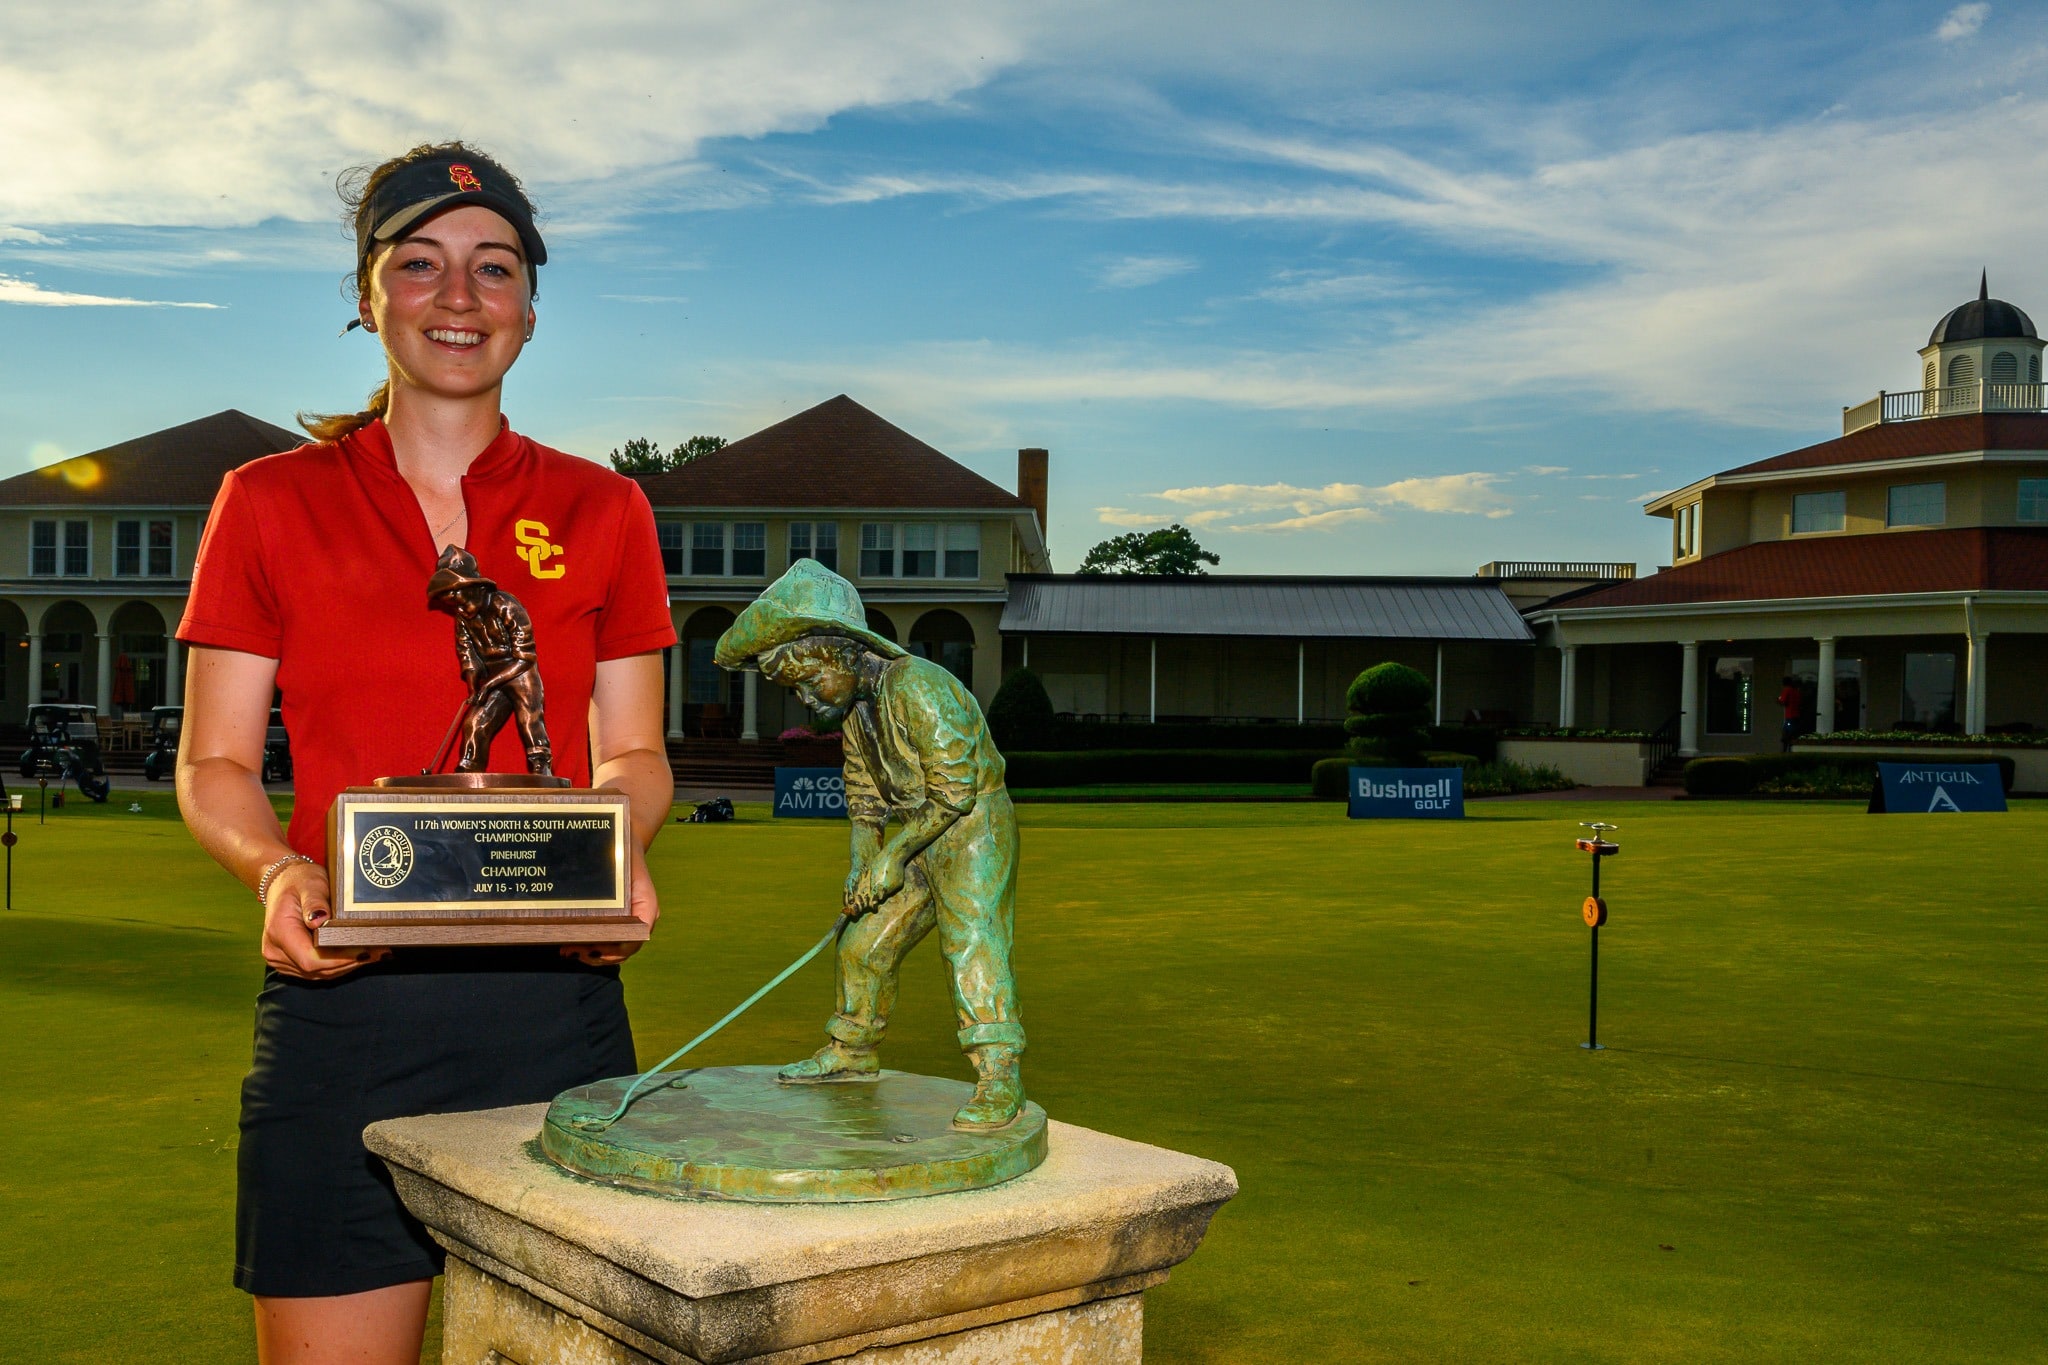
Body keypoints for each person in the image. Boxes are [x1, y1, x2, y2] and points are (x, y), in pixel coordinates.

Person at [175, 143, 676, 1365]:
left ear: (529, 310)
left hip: (557, 1018)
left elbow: (633, 749)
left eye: (493, 267)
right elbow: (214, 764)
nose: (459, 296)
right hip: (343, 1015)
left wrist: (618, 850)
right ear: (368, 296)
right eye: (420, 264)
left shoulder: (607, 508)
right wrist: (274, 871)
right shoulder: (269, 498)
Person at [714, 562, 1026, 1131]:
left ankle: (998, 1073)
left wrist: (891, 857)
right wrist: (863, 868)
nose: (806, 698)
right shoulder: (856, 714)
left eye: (810, 682)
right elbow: (864, 801)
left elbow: (955, 791)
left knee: (972, 940)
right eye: (795, 690)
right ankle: (852, 1051)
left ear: (842, 655)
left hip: (973, 828)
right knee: (862, 943)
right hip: (917, 830)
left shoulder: (916, 684)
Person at [1778, 675, 1804, 751]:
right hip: (1796, 716)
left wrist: (1778, 700)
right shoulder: (1796, 691)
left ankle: (1785, 751)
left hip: (1790, 716)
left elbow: (1783, 701)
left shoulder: (1787, 690)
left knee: (1786, 734)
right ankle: (1791, 750)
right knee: (1793, 734)